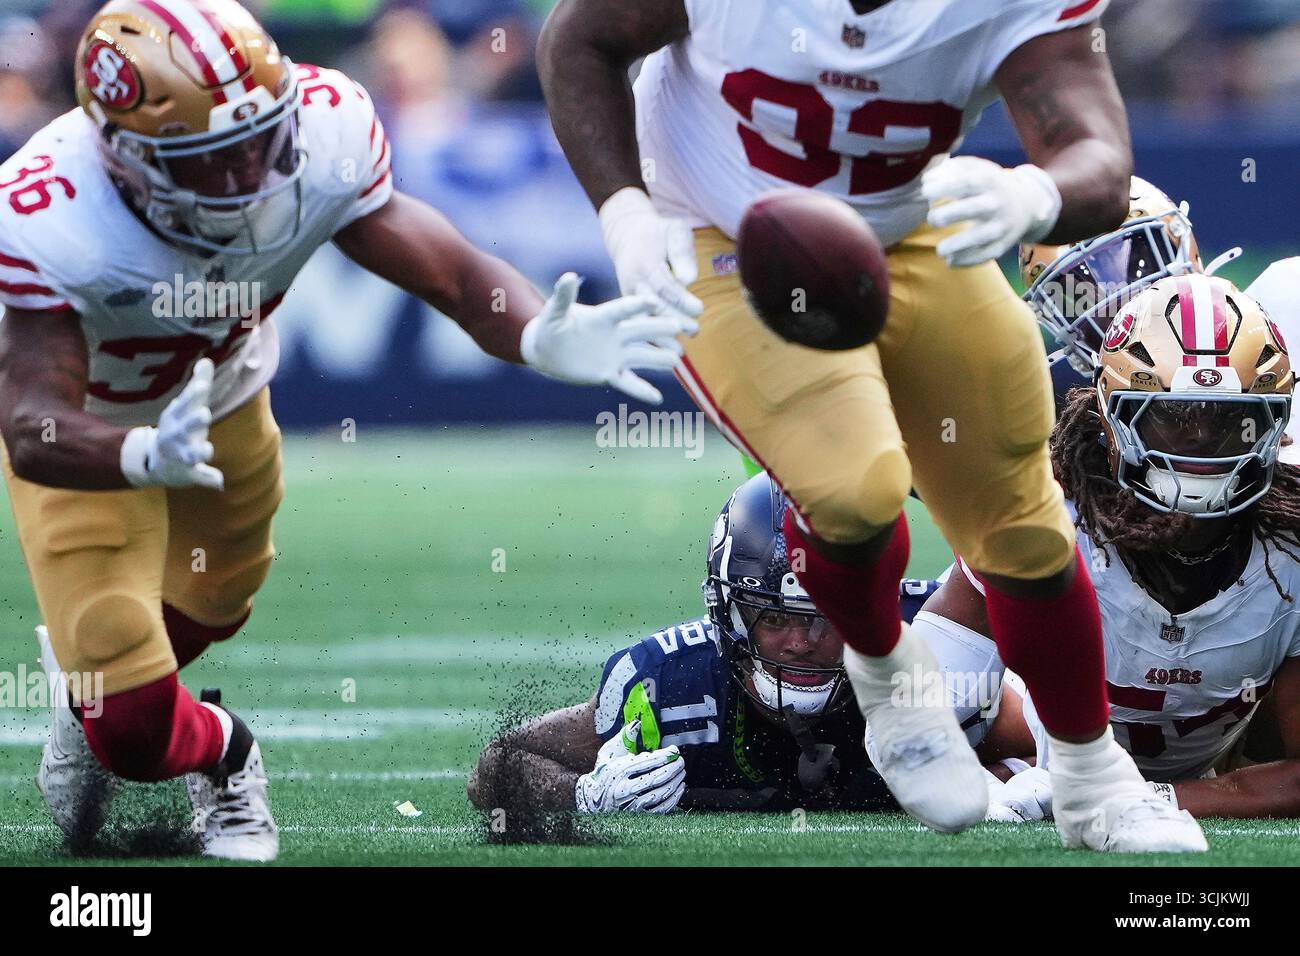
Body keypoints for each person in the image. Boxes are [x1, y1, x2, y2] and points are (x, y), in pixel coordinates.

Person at [0, 0, 690, 862]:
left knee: (214, 602)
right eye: (220, 159)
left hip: (225, 397)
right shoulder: (49, 211)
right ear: (129, 162)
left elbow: (441, 264)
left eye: (265, 137)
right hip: (94, 435)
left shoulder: (320, 133)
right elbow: (33, 425)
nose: (257, 170)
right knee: (134, 736)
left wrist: (530, 333)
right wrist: (138, 452)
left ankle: (87, 692)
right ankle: (221, 752)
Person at [537, 0, 1205, 850]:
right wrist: (624, 212)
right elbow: (579, 37)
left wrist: (1033, 191)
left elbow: (1100, 161)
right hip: (723, 232)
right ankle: (890, 674)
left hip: (906, 224)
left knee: (1024, 524)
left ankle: (1093, 781)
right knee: (856, 486)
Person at [915, 274, 1300, 824]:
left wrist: (1152, 801)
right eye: (1172, 420)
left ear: (1275, 425)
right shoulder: (1040, 518)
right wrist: (966, 783)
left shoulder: (1289, 554)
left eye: (1228, 423)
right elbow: (920, 712)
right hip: (1034, 731)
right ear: (1111, 420)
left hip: (1211, 762)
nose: (1198, 449)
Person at [468, 472, 941, 814]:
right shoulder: (670, 682)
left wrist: (1010, 779)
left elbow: (1017, 727)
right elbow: (497, 767)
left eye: (824, 619)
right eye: (775, 617)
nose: (800, 642)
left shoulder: (931, 641)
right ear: (728, 612)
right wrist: (582, 795)